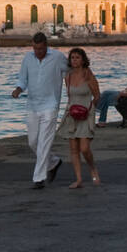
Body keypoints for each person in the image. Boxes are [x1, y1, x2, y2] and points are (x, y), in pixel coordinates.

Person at [11, 32, 68, 189]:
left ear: (46, 46)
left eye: (41, 49)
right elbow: (23, 78)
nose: (38, 52)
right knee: (33, 142)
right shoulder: (28, 58)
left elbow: (70, 70)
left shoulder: (57, 57)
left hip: (50, 104)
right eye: (36, 49)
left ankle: (39, 178)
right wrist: (18, 89)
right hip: (32, 105)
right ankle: (54, 162)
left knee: (44, 142)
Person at [54, 48, 102, 188]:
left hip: (86, 112)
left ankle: (92, 168)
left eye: (77, 57)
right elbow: (69, 95)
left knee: (85, 148)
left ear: (83, 59)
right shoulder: (67, 76)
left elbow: (97, 95)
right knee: (74, 149)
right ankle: (79, 179)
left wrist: (91, 108)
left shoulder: (88, 74)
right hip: (72, 113)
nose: (74, 60)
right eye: (72, 58)